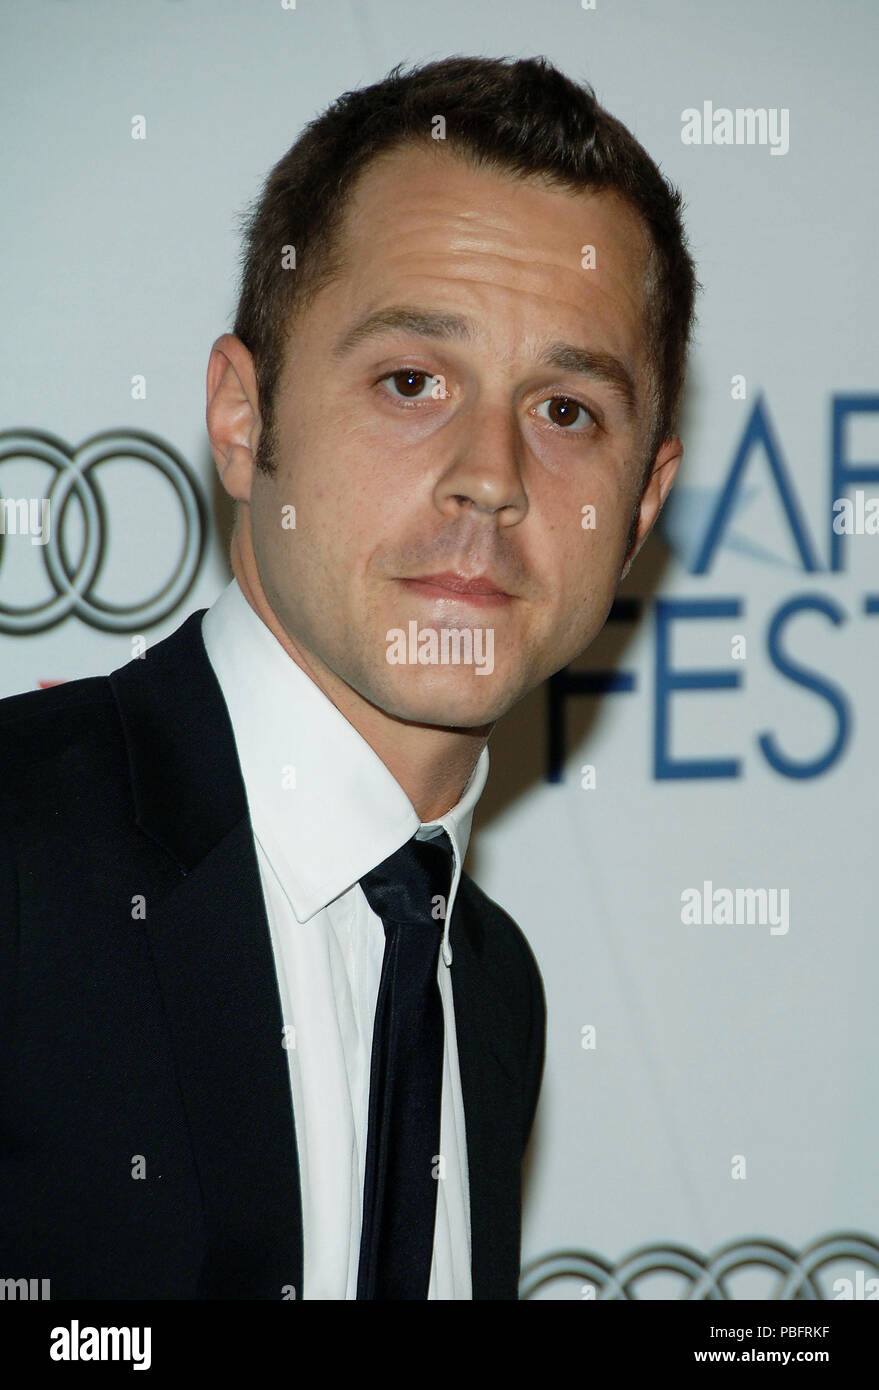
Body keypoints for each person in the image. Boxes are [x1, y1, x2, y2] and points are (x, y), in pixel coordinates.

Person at [0, 55, 697, 1300]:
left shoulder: (490, 987)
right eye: (412, 382)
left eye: (568, 410)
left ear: (644, 501)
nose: (492, 474)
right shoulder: (18, 847)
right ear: (242, 417)